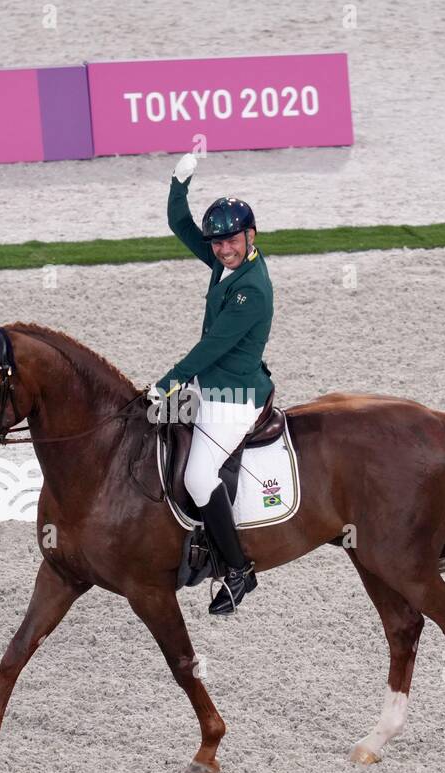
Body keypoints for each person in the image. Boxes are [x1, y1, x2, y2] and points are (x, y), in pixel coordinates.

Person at [149, 152, 275, 615]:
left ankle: (239, 572)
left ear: (250, 236)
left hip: (234, 398)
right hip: (209, 386)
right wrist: (178, 183)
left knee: (200, 475)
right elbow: (180, 225)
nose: (223, 249)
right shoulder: (227, 266)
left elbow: (213, 347)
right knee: (156, 435)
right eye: (217, 243)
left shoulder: (250, 289)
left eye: (231, 241)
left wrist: (168, 382)